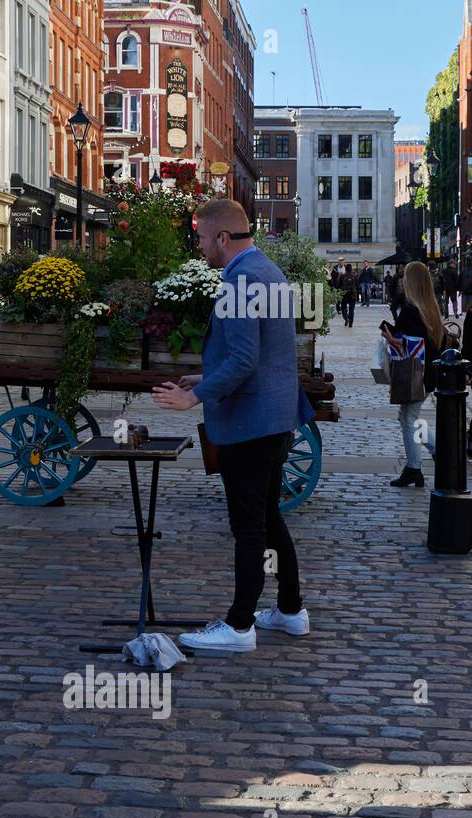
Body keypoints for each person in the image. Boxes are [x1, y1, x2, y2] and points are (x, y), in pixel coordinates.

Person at [152, 200, 312, 653]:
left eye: (202, 238)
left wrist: (193, 397)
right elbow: (262, 354)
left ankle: (240, 626)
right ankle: (290, 610)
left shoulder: (241, 278)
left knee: (249, 527)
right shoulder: (268, 269)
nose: (199, 245)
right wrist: (207, 376)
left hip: (250, 422)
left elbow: (244, 358)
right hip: (274, 416)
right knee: (267, 517)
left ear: (223, 238)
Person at [383, 261, 445, 488]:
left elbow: (413, 344)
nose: (401, 281)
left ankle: (414, 468)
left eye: (405, 277)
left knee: (408, 418)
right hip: (429, 374)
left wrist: (392, 339)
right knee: (410, 416)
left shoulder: (410, 309)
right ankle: (437, 451)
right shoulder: (431, 307)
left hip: (416, 373)